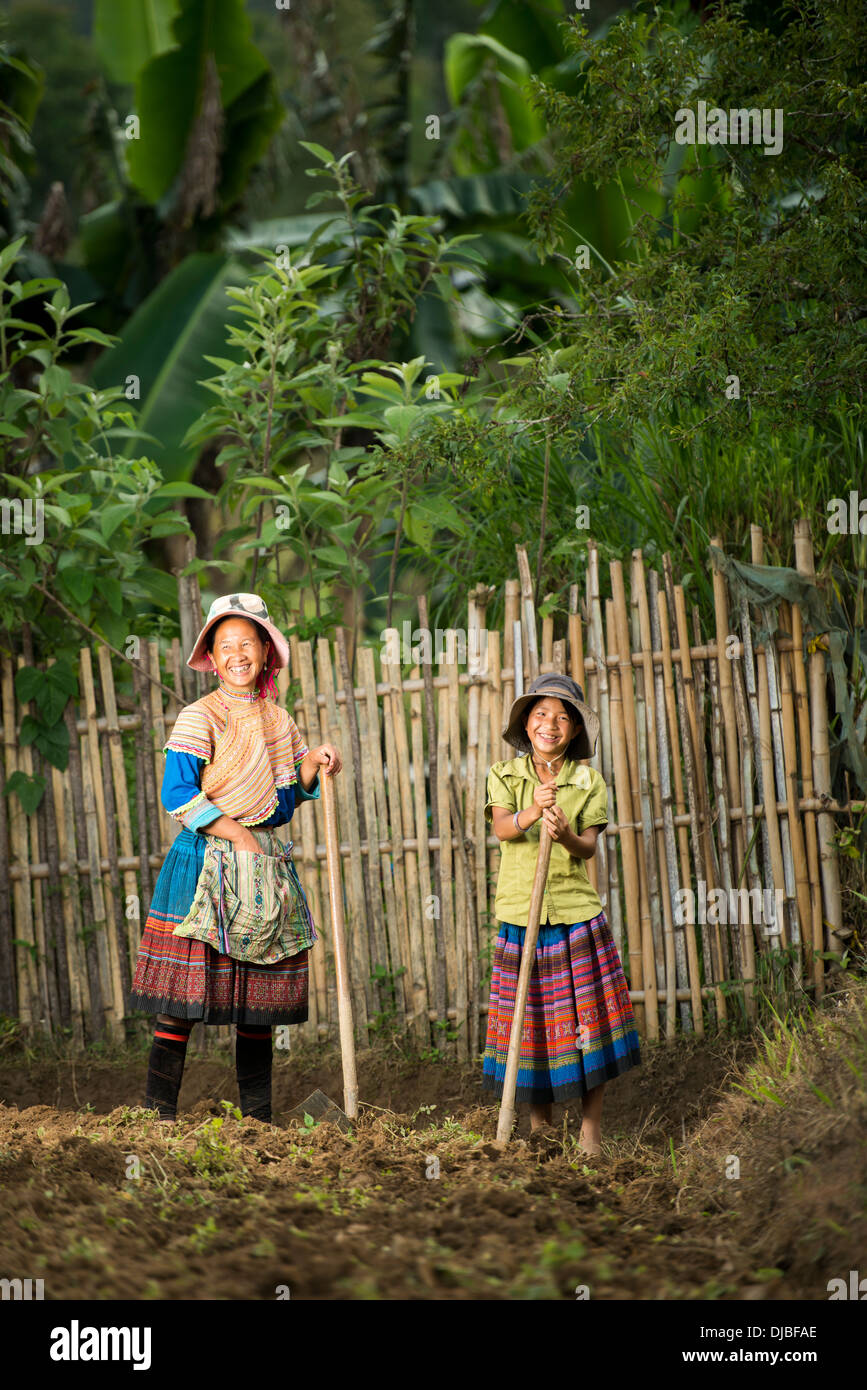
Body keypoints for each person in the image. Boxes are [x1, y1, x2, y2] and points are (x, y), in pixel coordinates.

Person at [129, 593, 342, 1124]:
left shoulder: (279, 721)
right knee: (181, 998)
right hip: (202, 862)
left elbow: (283, 801)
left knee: (258, 1005)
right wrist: (237, 837)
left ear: (267, 652)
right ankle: (158, 1121)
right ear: (213, 657)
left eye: (248, 642)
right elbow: (178, 795)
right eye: (225, 645)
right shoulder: (199, 717)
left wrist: (313, 763)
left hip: (262, 866)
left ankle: (259, 1125)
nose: (237, 653)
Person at [482, 673, 640, 1155]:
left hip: (575, 917)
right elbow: (503, 830)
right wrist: (531, 813)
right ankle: (540, 1130)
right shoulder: (504, 775)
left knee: (589, 1027)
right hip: (521, 916)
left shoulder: (588, 781)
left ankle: (590, 1132)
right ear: (526, 723)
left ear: (573, 732)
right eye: (542, 714)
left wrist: (566, 834)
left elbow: (588, 849)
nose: (551, 723)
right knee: (530, 1029)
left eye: (564, 716)